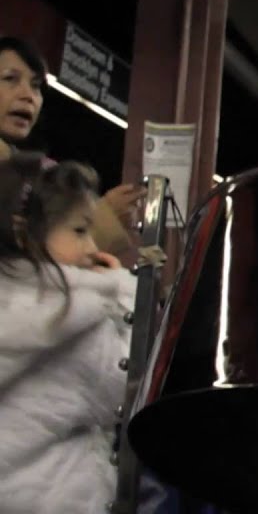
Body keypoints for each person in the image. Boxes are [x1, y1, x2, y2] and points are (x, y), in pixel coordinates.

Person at [0, 154, 135, 512]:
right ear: (22, 232)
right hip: (55, 497)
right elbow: (125, 387)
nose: (92, 248)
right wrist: (123, 292)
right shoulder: (74, 313)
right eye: (79, 231)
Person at [0, 37, 143, 255]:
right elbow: (25, 260)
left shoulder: (32, 171)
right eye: (10, 78)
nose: (28, 95)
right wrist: (104, 219)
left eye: (36, 86)